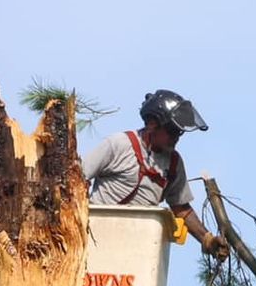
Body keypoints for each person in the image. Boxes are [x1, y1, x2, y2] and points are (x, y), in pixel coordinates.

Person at [81, 90, 230, 260]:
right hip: (95, 236)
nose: (176, 138)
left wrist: (207, 239)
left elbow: (181, 208)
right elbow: (77, 178)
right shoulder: (118, 145)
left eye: (179, 133)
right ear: (152, 124)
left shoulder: (174, 163)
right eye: (172, 131)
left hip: (137, 246)